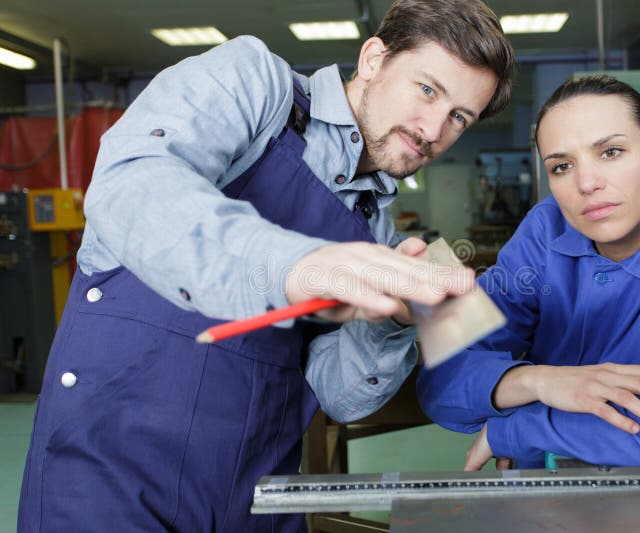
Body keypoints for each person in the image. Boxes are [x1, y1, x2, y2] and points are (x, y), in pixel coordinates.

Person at [18, 1, 514, 531]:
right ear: (373, 59)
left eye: (460, 116)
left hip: (256, 494)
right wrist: (300, 267)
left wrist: (393, 325)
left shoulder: (378, 232)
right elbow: (133, 188)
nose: (434, 128)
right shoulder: (253, 83)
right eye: (428, 89)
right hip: (112, 471)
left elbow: (337, 396)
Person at [417, 75, 640, 471]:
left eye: (611, 152)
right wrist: (541, 382)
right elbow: (441, 375)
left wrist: (518, 429)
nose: (587, 183)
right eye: (562, 166)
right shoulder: (545, 229)